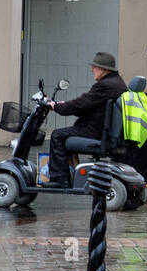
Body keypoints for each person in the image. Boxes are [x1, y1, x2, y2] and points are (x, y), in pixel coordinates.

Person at [45, 51, 127, 188]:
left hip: (94, 132)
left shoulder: (104, 85)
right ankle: (70, 174)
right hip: (103, 130)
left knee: (57, 135)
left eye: (94, 67)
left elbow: (82, 103)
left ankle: (59, 180)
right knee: (64, 134)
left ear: (103, 69)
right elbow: (89, 105)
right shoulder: (118, 84)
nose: (92, 69)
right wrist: (64, 105)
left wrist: (57, 107)